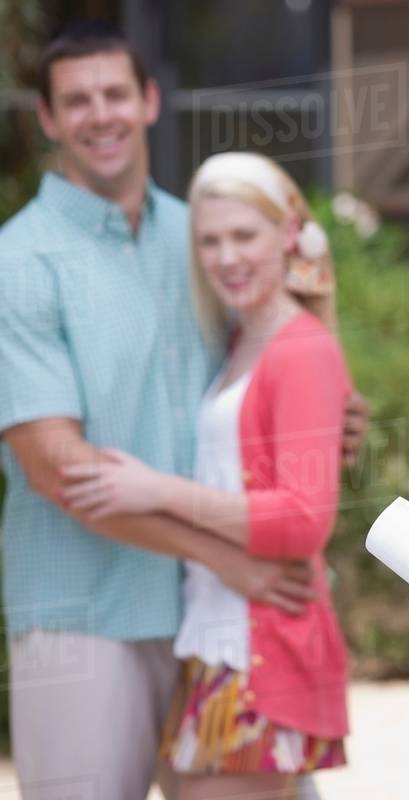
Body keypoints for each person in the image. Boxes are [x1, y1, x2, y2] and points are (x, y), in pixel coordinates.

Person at [0, 21, 366, 799]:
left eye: (115, 94)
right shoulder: (17, 263)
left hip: (220, 614)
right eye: (77, 101)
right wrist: (222, 555)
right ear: (48, 119)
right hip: (89, 613)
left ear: (149, 101)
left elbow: (270, 383)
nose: (100, 115)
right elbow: (56, 468)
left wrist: (332, 418)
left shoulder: (202, 236)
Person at [60, 151, 351, 799]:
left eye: (244, 235)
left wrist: (157, 491)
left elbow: (306, 519)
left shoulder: (300, 347)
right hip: (218, 638)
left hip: (263, 648)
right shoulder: (238, 341)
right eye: (209, 240)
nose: (226, 257)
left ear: (288, 233)